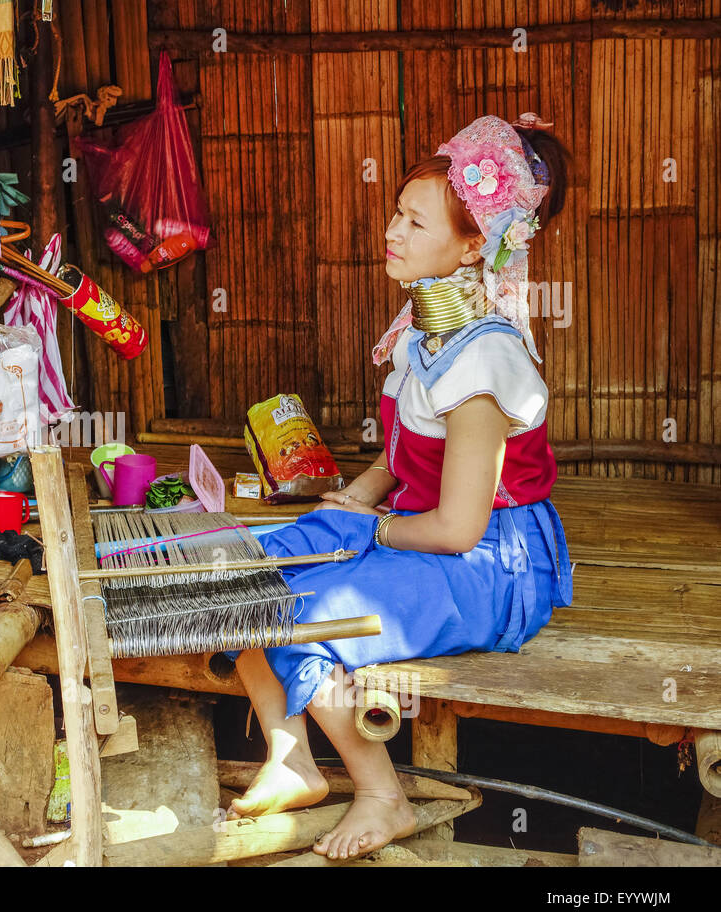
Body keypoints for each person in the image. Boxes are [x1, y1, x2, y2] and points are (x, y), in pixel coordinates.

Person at [227, 114, 574, 860]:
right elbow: (397, 460)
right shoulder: (423, 335)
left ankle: (383, 796)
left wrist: (370, 530)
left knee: (302, 612)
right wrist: (349, 503)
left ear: (474, 244)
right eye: (397, 213)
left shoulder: (483, 365)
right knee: (251, 565)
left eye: (414, 222)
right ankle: (291, 761)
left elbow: (457, 530)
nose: (392, 231)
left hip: (491, 566)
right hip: (422, 526)